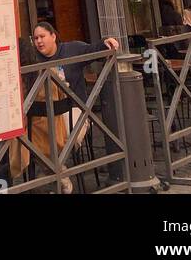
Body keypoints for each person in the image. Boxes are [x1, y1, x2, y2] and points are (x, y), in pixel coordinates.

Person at [11, 22, 120, 193]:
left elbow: (93, 50)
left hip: (76, 109)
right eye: (36, 38)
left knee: (63, 137)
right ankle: (59, 173)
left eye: (42, 36)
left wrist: (106, 42)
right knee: (30, 138)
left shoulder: (72, 49)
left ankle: (52, 171)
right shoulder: (33, 59)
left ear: (53, 36)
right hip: (46, 115)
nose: (39, 41)